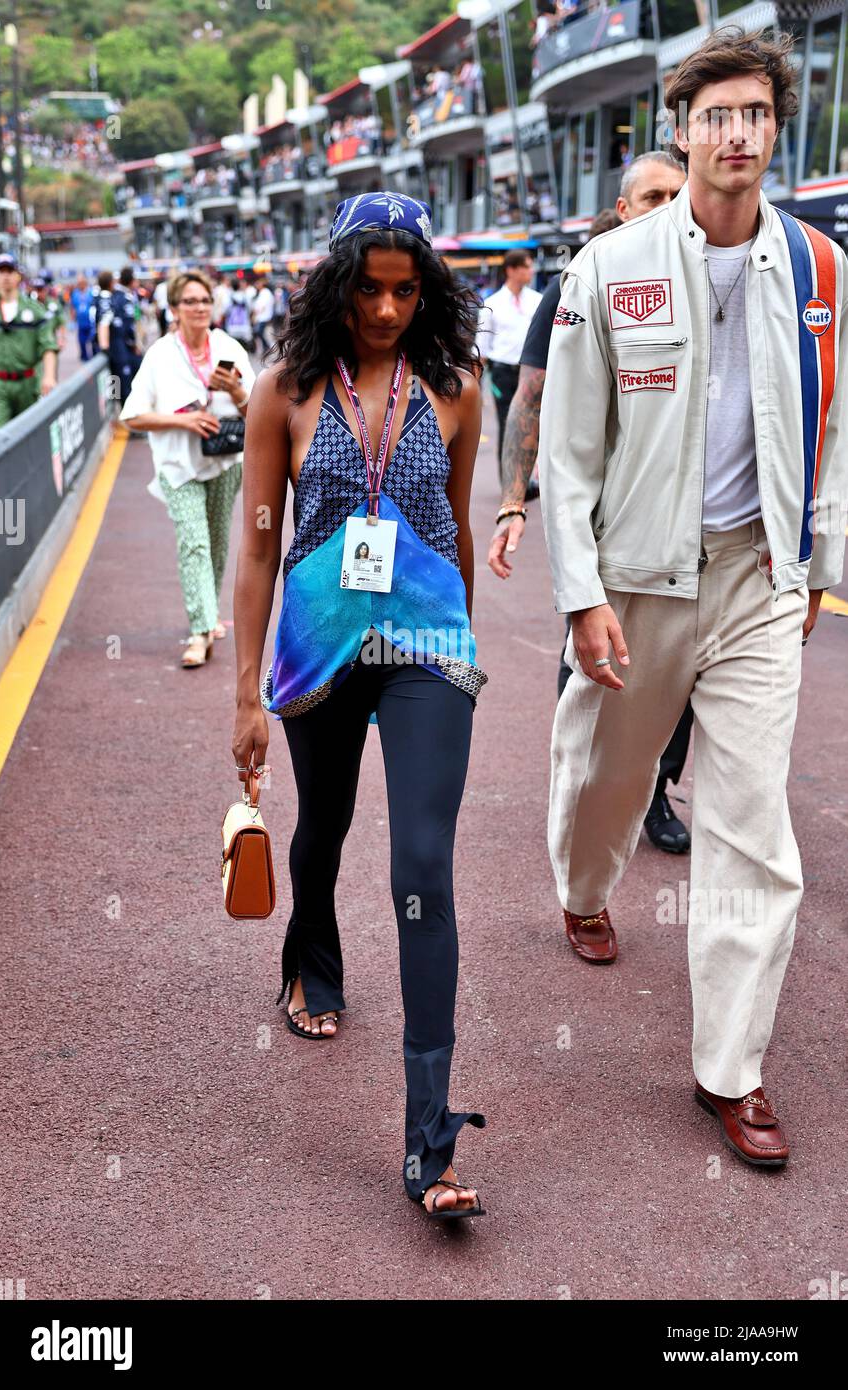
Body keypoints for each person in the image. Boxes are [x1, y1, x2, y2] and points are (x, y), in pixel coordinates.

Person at [538, 28, 848, 1166]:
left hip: (761, 580)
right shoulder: (607, 271)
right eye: (716, 115)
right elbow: (569, 454)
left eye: (755, 115)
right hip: (640, 577)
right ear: (681, 129)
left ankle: (733, 1070)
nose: (736, 135)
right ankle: (582, 885)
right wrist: (581, 594)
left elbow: (833, 434)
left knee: (750, 826)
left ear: (776, 128)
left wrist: (816, 558)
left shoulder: (821, 271)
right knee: (608, 780)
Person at [231, 191, 488, 1219]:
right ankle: (312, 951)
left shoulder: (458, 386)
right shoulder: (283, 391)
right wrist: (244, 694)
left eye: (406, 288)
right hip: (319, 640)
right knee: (323, 827)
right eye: (370, 289)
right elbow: (257, 541)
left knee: (422, 863)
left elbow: (457, 525)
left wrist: (462, 637)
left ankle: (432, 1141)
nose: (388, 310)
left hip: (428, 642)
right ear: (339, 284)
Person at [490, 153, 694, 855]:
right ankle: (580, 783)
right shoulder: (579, 282)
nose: (668, 204)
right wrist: (512, 503)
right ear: (622, 208)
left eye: (679, 192)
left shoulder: (714, 287)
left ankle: (655, 794)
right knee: (593, 650)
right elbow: (529, 399)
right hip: (603, 518)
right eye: (653, 194)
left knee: (684, 665)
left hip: (690, 519)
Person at [119, 270, 256, 667]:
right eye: (190, 302)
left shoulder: (229, 347)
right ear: (174, 309)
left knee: (216, 543)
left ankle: (209, 614)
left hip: (225, 461)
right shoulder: (160, 355)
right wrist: (183, 421)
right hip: (178, 466)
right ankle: (199, 631)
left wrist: (235, 391)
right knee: (193, 543)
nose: (199, 308)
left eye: (205, 301)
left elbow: (257, 414)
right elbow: (133, 416)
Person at [476, 249, 542, 483]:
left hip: (531, 372)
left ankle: (527, 479)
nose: (531, 271)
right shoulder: (492, 304)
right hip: (503, 372)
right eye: (526, 266)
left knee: (532, 424)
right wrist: (476, 383)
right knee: (507, 424)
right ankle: (509, 482)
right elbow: (482, 346)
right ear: (511, 270)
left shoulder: (537, 301)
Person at [0, 253, 58, 431]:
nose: (6, 276)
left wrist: (49, 376)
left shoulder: (35, 310)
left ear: (18, 276)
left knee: (28, 435)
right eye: (1, 271)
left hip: (27, 383)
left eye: (10, 271)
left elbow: (48, 347)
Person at [97, 266, 143, 405]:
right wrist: (104, 346)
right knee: (119, 383)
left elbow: (135, 321)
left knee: (134, 380)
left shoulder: (130, 296)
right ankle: (121, 413)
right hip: (118, 348)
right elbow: (103, 322)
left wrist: (137, 342)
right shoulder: (113, 297)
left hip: (128, 347)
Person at [70, 273, 95, 361]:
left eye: (81, 283)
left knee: (93, 340)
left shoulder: (91, 292)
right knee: (81, 341)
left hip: (91, 322)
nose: (79, 285)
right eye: (78, 283)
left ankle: (94, 356)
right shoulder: (75, 293)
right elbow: (73, 307)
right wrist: (72, 320)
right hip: (81, 322)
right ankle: (84, 356)